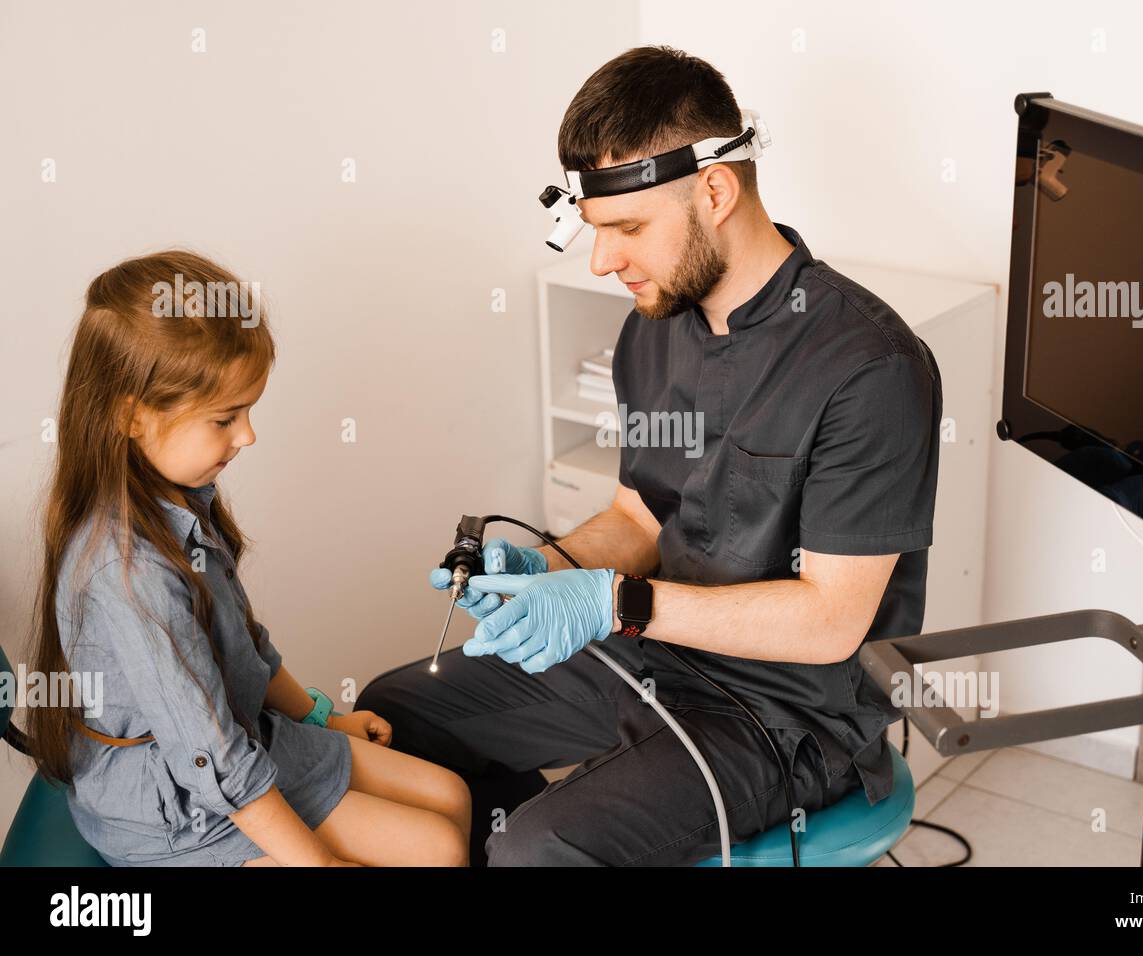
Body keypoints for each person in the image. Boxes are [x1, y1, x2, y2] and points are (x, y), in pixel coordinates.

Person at [357, 45, 943, 866]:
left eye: (628, 229)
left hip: (785, 714)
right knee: (399, 713)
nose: (604, 261)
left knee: (541, 850)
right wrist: (546, 567)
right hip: (653, 653)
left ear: (715, 189)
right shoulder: (653, 328)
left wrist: (614, 603)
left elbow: (829, 621)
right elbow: (641, 512)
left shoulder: (870, 367)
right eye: (596, 232)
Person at [25, 250, 471, 866]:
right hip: (178, 806)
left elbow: (243, 643)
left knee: (450, 796)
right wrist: (316, 864)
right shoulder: (126, 573)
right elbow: (206, 756)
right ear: (130, 416)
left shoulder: (181, 504)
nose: (247, 435)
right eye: (225, 418)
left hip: (241, 741)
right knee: (434, 847)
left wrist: (322, 717)